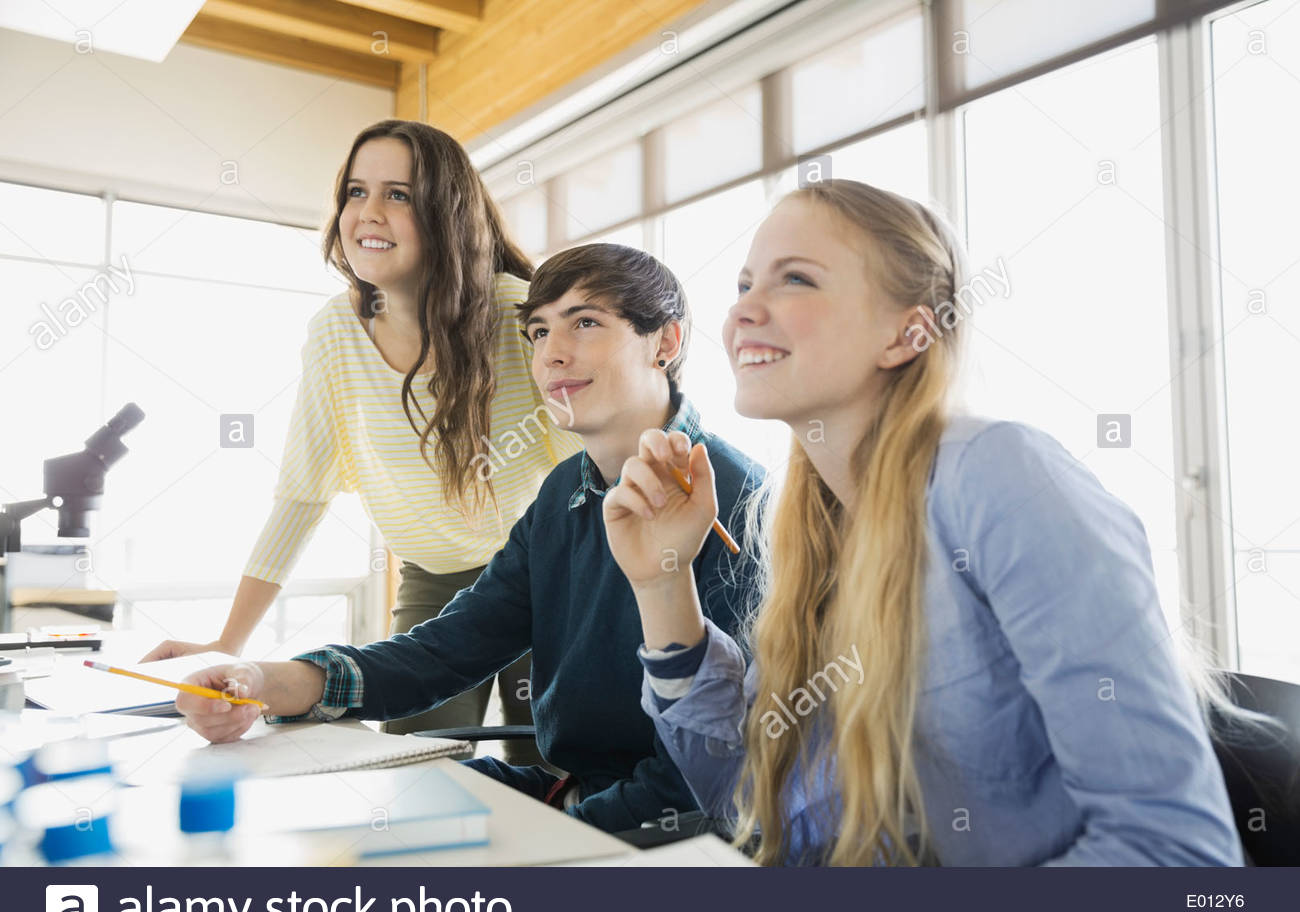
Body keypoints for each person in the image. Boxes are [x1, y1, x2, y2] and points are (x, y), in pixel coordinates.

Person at [601, 180, 1245, 865]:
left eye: (795, 280)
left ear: (907, 333)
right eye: (743, 283)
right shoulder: (818, 522)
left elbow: (1178, 853)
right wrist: (662, 583)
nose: (740, 313)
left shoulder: (1001, 476)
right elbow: (747, 798)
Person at [175, 244, 765, 833]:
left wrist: (557, 829)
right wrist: (264, 683)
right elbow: (444, 651)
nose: (553, 354)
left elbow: (705, 783)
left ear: (665, 343)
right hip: (573, 792)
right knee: (358, 814)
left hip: (678, 826)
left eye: (586, 323)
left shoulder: (736, 502)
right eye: (538, 332)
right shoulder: (564, 492)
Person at [141, 121, 583, 762]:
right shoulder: (334, 335)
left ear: (446, 212)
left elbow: (591, 472)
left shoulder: (521, 317)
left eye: (399, 195)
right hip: (434, 581)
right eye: (355, 191)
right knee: (417, 766)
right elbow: (301, 496)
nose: (368, 214)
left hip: (547, 570)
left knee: (557, 770)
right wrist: (227, 645)